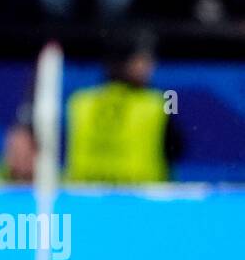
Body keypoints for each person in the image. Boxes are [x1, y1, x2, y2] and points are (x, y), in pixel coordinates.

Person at [64, 40, 181, 185]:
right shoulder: (156, 102)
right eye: (143, 61)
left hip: (84, 195)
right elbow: (176, 149)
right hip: (141, 198)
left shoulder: (80, 101)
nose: (150, 67)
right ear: (129, 65)